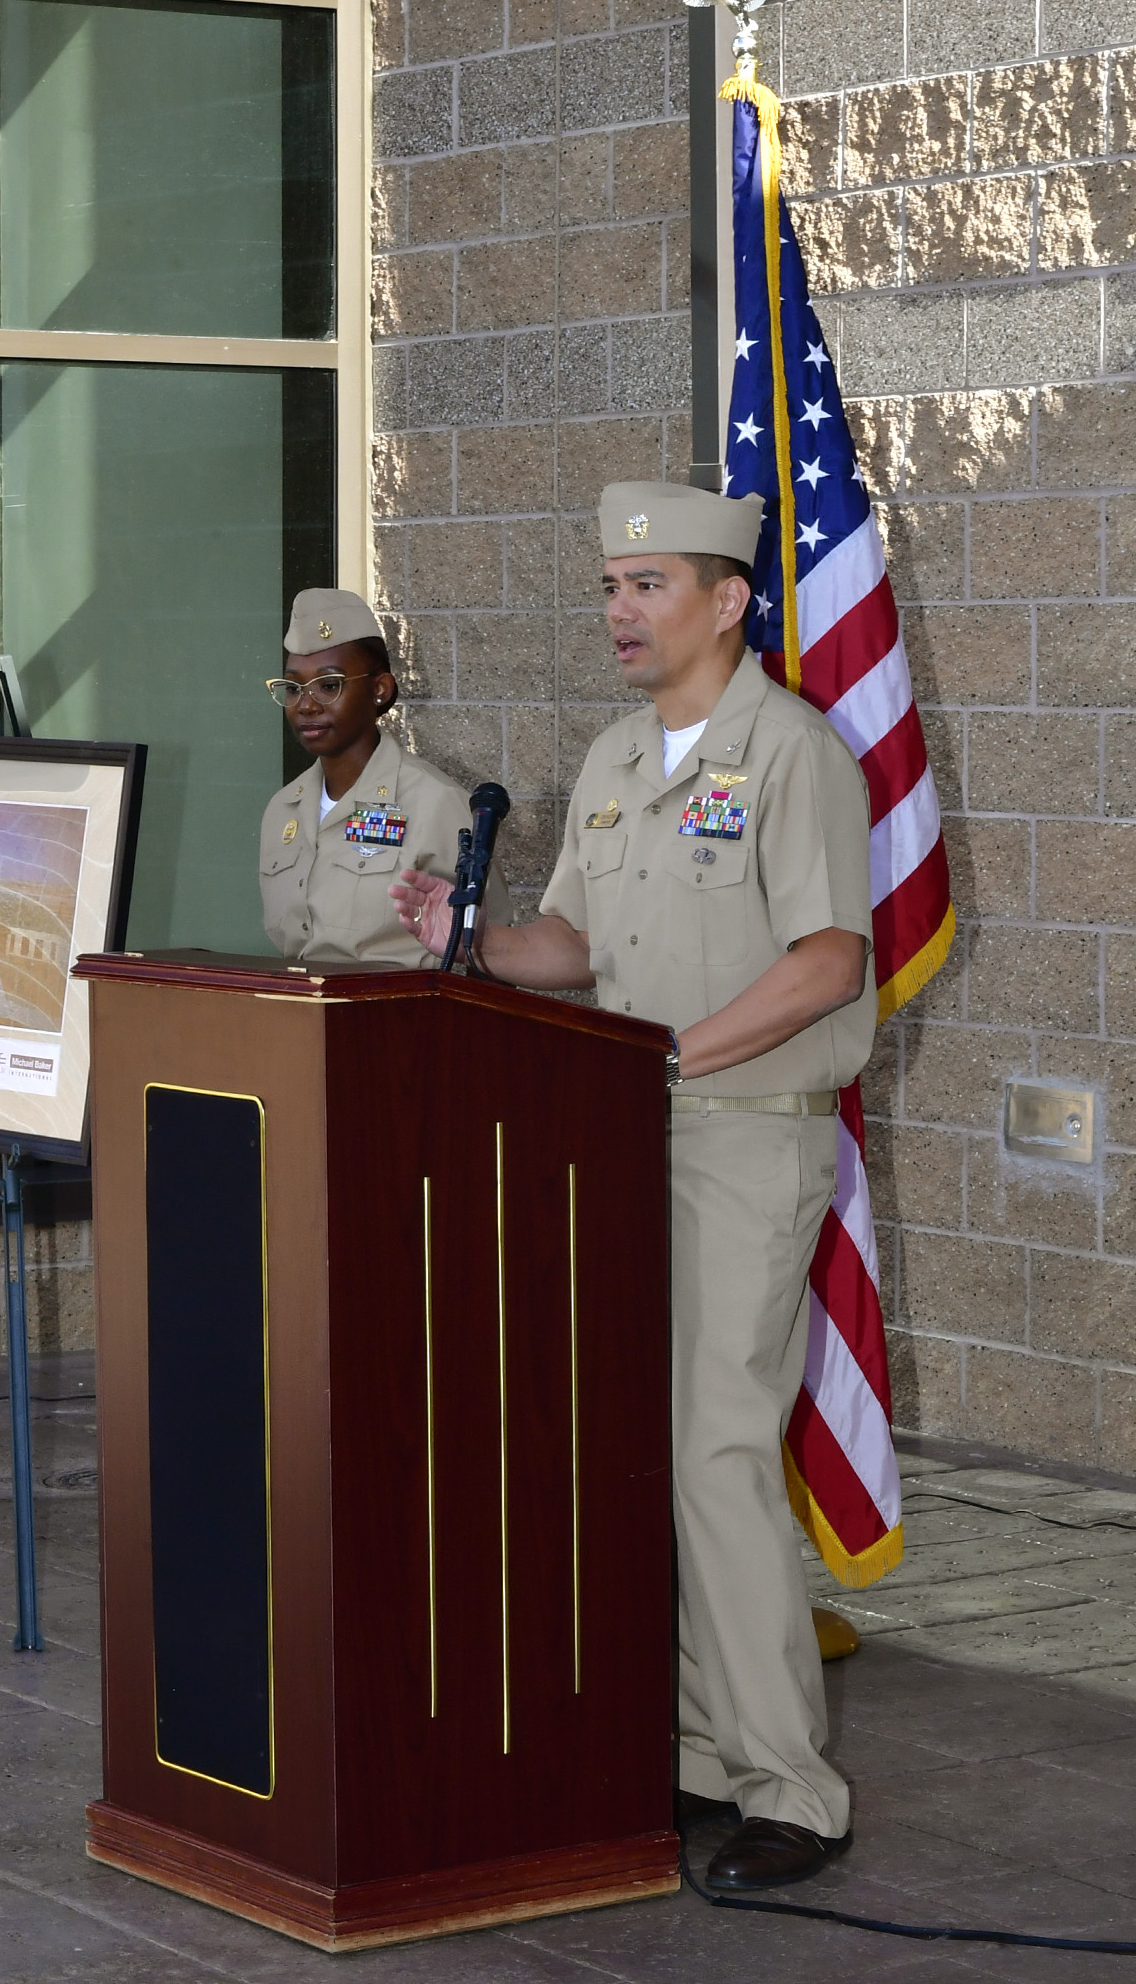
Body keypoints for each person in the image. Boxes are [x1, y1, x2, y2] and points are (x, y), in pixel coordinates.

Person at [391, 483, 876, 1893]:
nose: (618, 609)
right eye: (610, 583)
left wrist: (665, 1061)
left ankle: (793, 1785)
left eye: (649, 584)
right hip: (617, 1138)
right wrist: (472, 938)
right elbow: (575, 944)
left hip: (738, 1137)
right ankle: (698, 1754)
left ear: (727, 601)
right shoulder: (613, 756)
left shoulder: (793, 754)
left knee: (718, 1450)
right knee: (635, 1450)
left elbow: (826, 962)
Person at [261, 589, 508, 967]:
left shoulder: (435, 802)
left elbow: (492, 954)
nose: (306, 705)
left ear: (380, 689)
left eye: (329, 685)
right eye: (294, 688)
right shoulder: (283, 810)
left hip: (402, 1021)